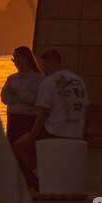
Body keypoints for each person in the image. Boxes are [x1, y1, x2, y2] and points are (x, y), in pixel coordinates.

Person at [13, 49, 88, 189]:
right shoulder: (78, 81)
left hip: (55, 131)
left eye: (43, 65)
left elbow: (43, 113)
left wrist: (32, 136)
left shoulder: (48, 82)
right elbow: (86, 109)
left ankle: (40, 175)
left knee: (20, 145)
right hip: (76, 131)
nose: (42, 68)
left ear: (48, 62)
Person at [1, 46, 44, 189]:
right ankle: (18, 182)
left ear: (25, 59)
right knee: (12, 150)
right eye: (13, 59)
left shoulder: (38, 79)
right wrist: (21, 96)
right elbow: (5, 98)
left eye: (16, 58)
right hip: (14, 118)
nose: (14, 62)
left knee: (27, 148)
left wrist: (18, 94)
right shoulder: (11, 78)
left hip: (29, 118)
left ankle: (33, 180)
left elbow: (35, 99)